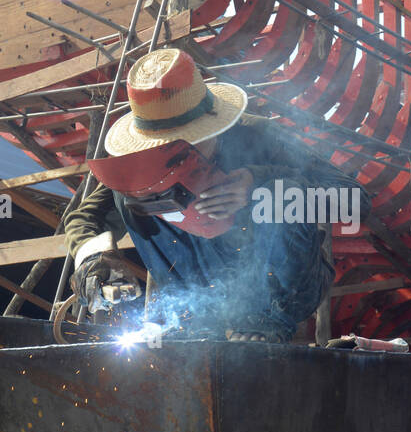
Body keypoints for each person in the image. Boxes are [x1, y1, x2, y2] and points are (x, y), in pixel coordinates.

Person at [64, 47, 368, 342]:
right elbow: (84, 217)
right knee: (124, 197)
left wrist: (258, 183)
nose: (182, 156)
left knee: (281, 194)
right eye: (167, 147)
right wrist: (94, 262)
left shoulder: (260, 137)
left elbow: (355, 201)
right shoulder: (147, 162)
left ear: (213, 125)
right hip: (200, 295)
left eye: (189, 142)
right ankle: (192, 320)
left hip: (281, 286)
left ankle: (266, 319)